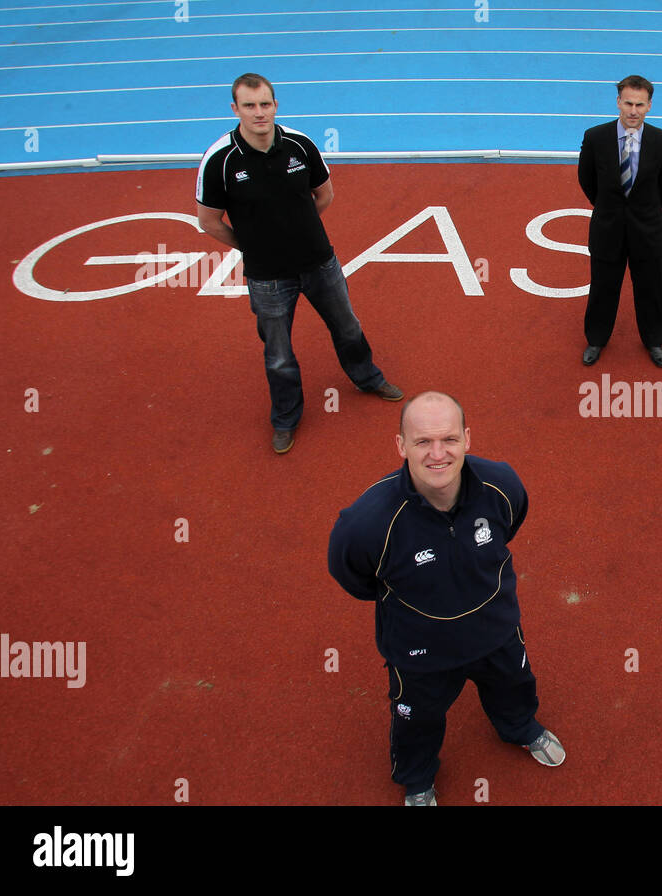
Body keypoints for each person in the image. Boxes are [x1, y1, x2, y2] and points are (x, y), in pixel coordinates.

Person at [327, 392, 565, 805]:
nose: (438, 454)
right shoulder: (367, 523)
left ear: (467, 439)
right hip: (420, 653)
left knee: (514, 685)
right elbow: (353, 576)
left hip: (497, 631)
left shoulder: (502, 485)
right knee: (416, 721)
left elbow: (512, 523)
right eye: (422, 442)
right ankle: (418, 780)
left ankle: (520, 727)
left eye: (449, 439)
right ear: (401, 446)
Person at [196, 73, 402, 455]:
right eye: (249, 105)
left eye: (264, 104)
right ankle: (286, 418)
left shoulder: (300, 145)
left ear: (275, 105)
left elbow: (324, 195)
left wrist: (302, 230)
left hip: (319, 263)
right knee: (277, 353)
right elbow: (208, 221)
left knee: (347, 326)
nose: (258, 113)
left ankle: (368, 378)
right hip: (267, 277)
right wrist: (252, 246)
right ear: (235, 109)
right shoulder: (220, 161)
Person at [578, 75, 662, 368]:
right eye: (628, 103)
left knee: (651, 287)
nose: (633, 111)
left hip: (647, 230)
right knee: (602, 286)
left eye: (639, 104)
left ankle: (654, 341)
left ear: (649, 106)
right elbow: (586, 180)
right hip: (607, 228)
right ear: (618, 103)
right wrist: (609, 208)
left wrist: (645, 208)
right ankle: (596, 339)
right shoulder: (595, 137)